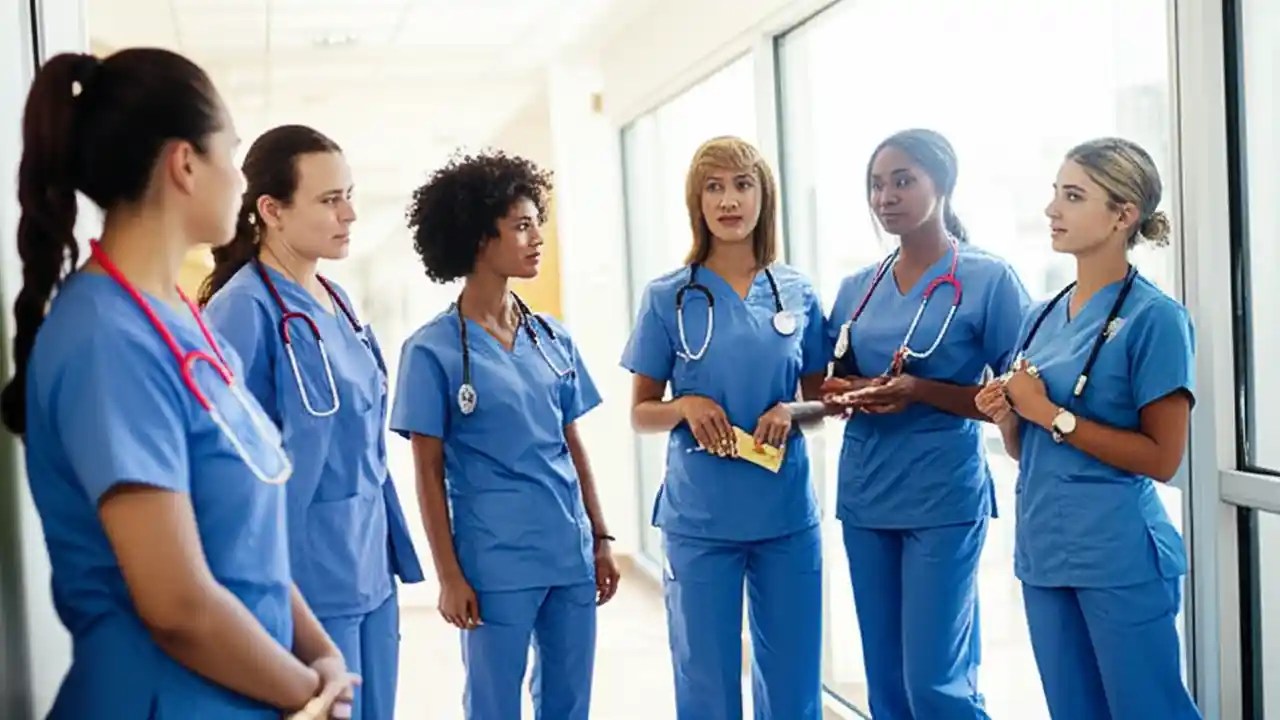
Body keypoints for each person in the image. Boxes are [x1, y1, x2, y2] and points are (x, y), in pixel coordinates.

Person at [1, 49, 355, 718]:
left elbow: (248, 540)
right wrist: (307, 694)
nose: (240, 182)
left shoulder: (184, 323)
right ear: (185, 163)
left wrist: (321, 654)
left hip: (249, 691)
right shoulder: (105, 339)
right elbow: (176, 606)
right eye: (232, 153)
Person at [198, 124, 425, 720]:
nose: (350, 213)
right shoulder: (242, 312)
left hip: (370, 563)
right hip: (305, 579)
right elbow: (221, 472)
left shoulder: (335, 298)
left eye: (349, 194)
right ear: (270, 210)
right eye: (330, 200)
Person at [389, 149, 619, 720]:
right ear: (476, 238)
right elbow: (427, 472)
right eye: (521, 226)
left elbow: (572, 445)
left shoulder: (551, 338)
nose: (537, 237)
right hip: (495, 564)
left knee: (569, 704)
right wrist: (447, 575)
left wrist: (601, 536)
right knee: (493, 705)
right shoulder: (432, 350)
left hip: (567, 552)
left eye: (537, 222)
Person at [976, 137, 1201, 719]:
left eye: (1073, 196)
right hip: (1045, 552)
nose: (1052, 209)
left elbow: (1162, 458)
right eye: (1056, 194)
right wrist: (1010, 417)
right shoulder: (1041, 316)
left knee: (1148, 709)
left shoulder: (1157, 320)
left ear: (1123, 215)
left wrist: (1050, 412)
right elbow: (1035, 450)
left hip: (1119, 555)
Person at [620, 136, 832, 719]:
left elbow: (822, 401)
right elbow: (641, 411)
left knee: (792, 685)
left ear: (764, 196)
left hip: (784, 515)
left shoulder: (796, 290)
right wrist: (685, 407)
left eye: (743, 185)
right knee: (705, 684)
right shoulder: (668, 297)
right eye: (714, 187)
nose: (729, 200)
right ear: (697, 202)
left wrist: (792, 412)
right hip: (700, 518)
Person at [821, 128, 1028, 719]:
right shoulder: (857, 289)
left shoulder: (988, 280)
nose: (886, 196)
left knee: (936, 682)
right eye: (876, 185)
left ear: (943, 184)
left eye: (903, 180)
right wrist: (848, 392)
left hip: (942, 496)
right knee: (885, 682)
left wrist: (921, 391)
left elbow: (1015, 394)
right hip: (867, 495)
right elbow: (835, 381)